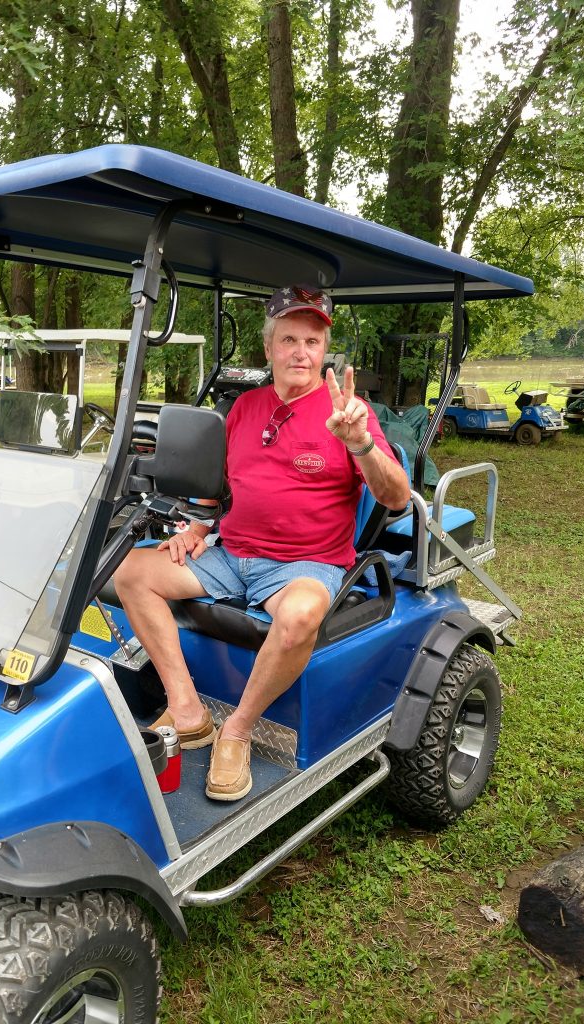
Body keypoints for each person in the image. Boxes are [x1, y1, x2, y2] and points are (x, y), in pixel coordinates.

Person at [114, 284, 410, 801]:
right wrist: (200, 528)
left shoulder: (347, 415)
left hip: (304, 564)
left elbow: (398, 497)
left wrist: (359, 443)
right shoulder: (245, 408)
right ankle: (187, 710)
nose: (301, 352)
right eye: (290, 339)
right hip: (232, 554)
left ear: (324, 353)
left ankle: (238, 730)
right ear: (270, 347)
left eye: (313, 342)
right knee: (130, 572)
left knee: (298, 615)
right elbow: (219, 486)